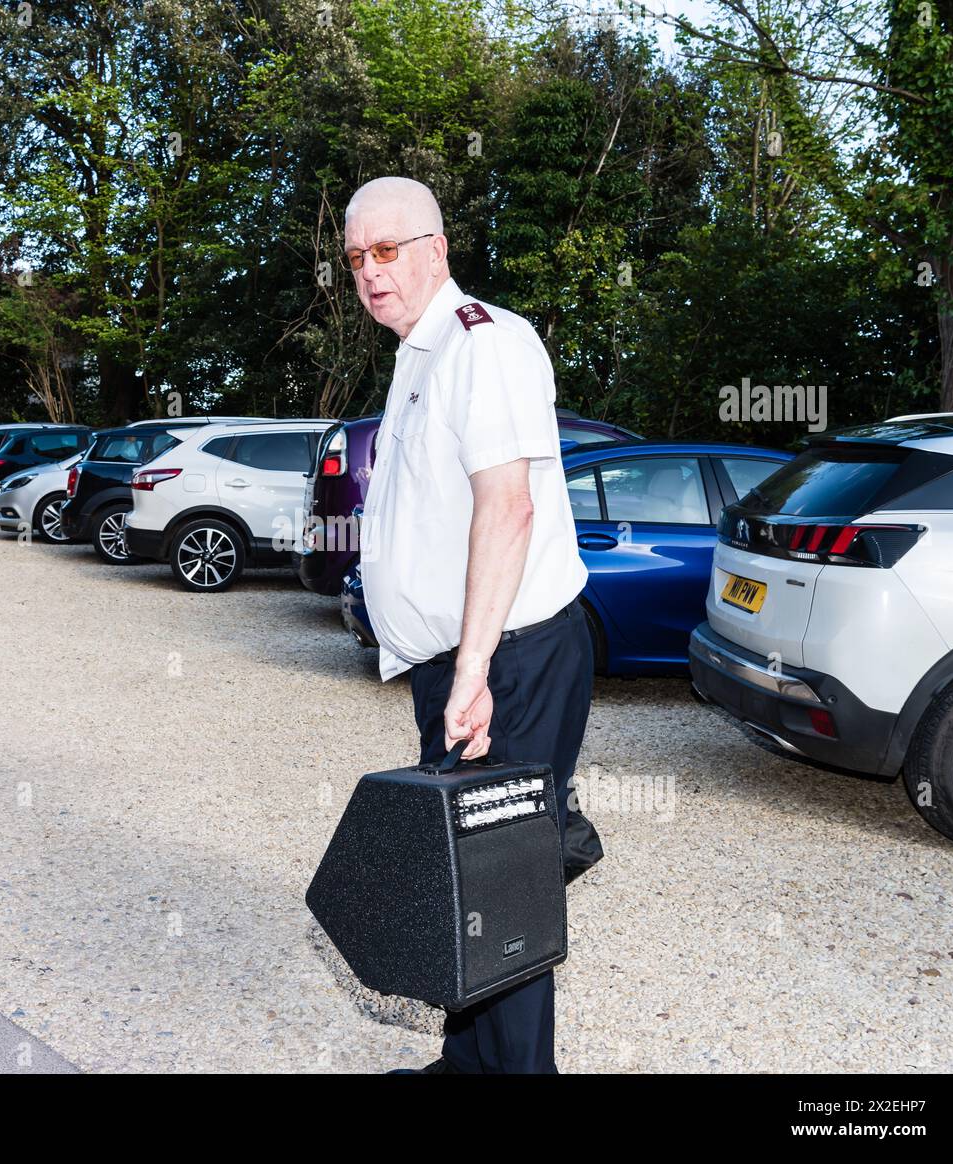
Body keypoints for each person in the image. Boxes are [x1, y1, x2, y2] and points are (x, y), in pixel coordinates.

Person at [347, 176, 593, 1074]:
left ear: (436, 248)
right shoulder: (422, 353)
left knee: (505, 881)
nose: (371, 272)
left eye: (387, 250)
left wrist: (475, 669)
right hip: (463, 663)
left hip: (508, 660)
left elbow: (508, 510)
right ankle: (469, 1066)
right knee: (463, 876)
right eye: (356, 258)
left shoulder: (484, 343)